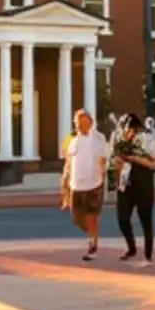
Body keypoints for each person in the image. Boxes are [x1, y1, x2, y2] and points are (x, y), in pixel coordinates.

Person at [114, 113, 155, 267]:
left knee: (146, 221)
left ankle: (148, 256)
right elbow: (115, 164)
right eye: (123, 129)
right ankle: (131, 247)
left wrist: (135, 159)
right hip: (125, 186)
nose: (125, 132)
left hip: (143, 185)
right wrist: (118, 163)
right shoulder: (119, 141)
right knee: (122, 219)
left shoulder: (148, 142)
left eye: (128, 129)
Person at [62, 108, 109, 261]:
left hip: (94, 184)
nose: (79, 126)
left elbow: (103, 159)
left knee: (90, 216)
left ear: (90, 122)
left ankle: (93, 242)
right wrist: (65, 185)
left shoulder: (98, 139)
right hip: (76, 185)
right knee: (76, 217)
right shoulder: (71, 140)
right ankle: (92, 233)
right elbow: (68, 163)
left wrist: (103, 174)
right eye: (76, 123)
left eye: (82, 122)